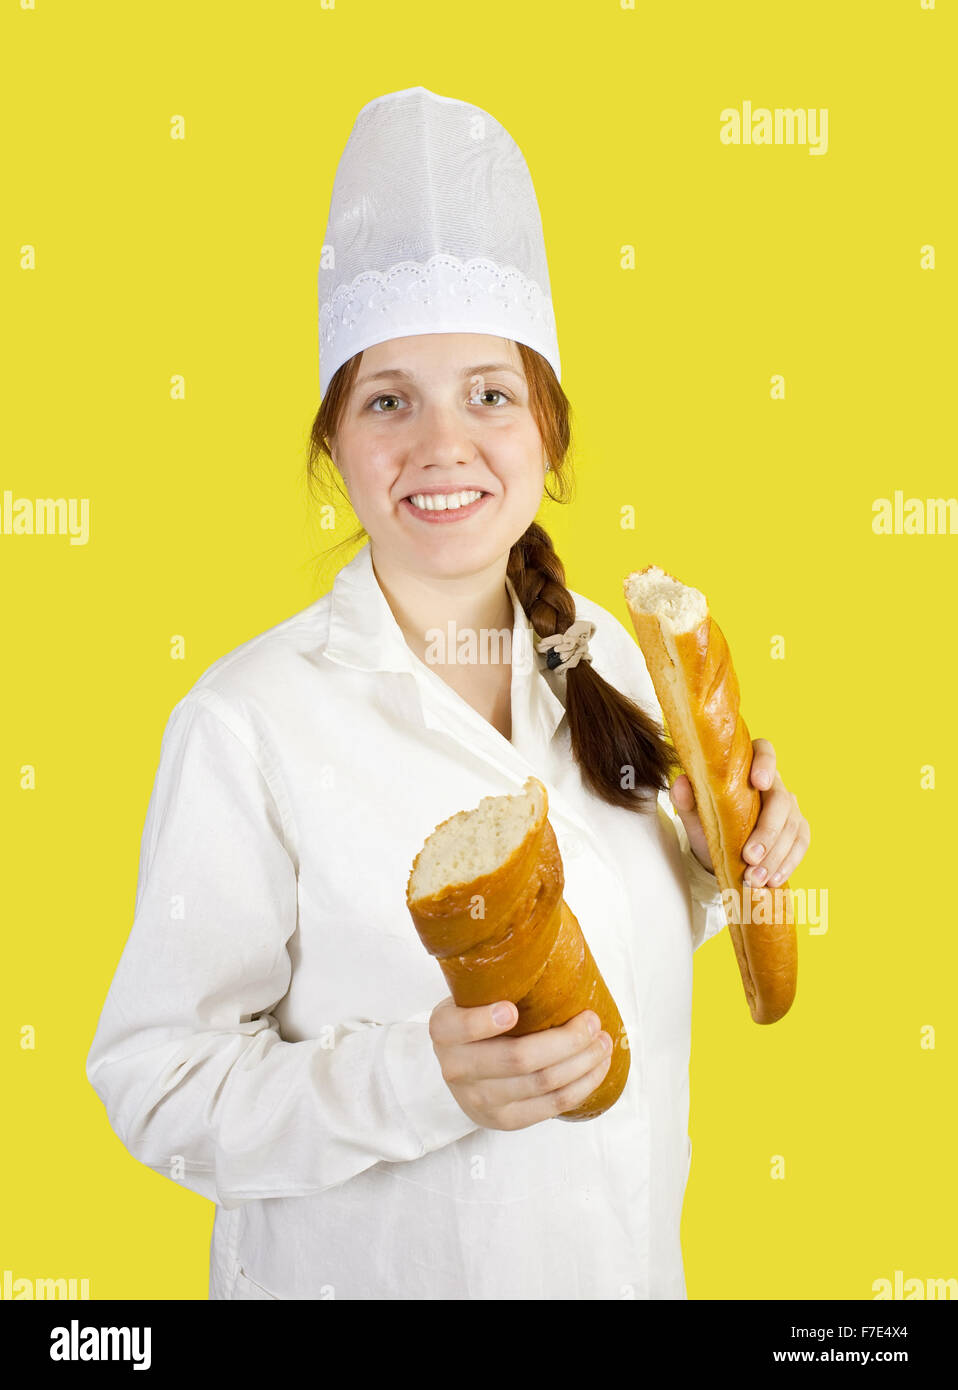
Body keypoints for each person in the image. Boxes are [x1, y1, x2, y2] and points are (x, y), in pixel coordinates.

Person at [85, 88, 810, 1300]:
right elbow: (155, 1084)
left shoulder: (618, 669)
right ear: (334, 445)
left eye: (488, 392)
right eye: (387, 400)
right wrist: (421, 1080)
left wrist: (710, 864)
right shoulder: (247, 722)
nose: (440, 444)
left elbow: (603, 962)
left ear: (548, 430)